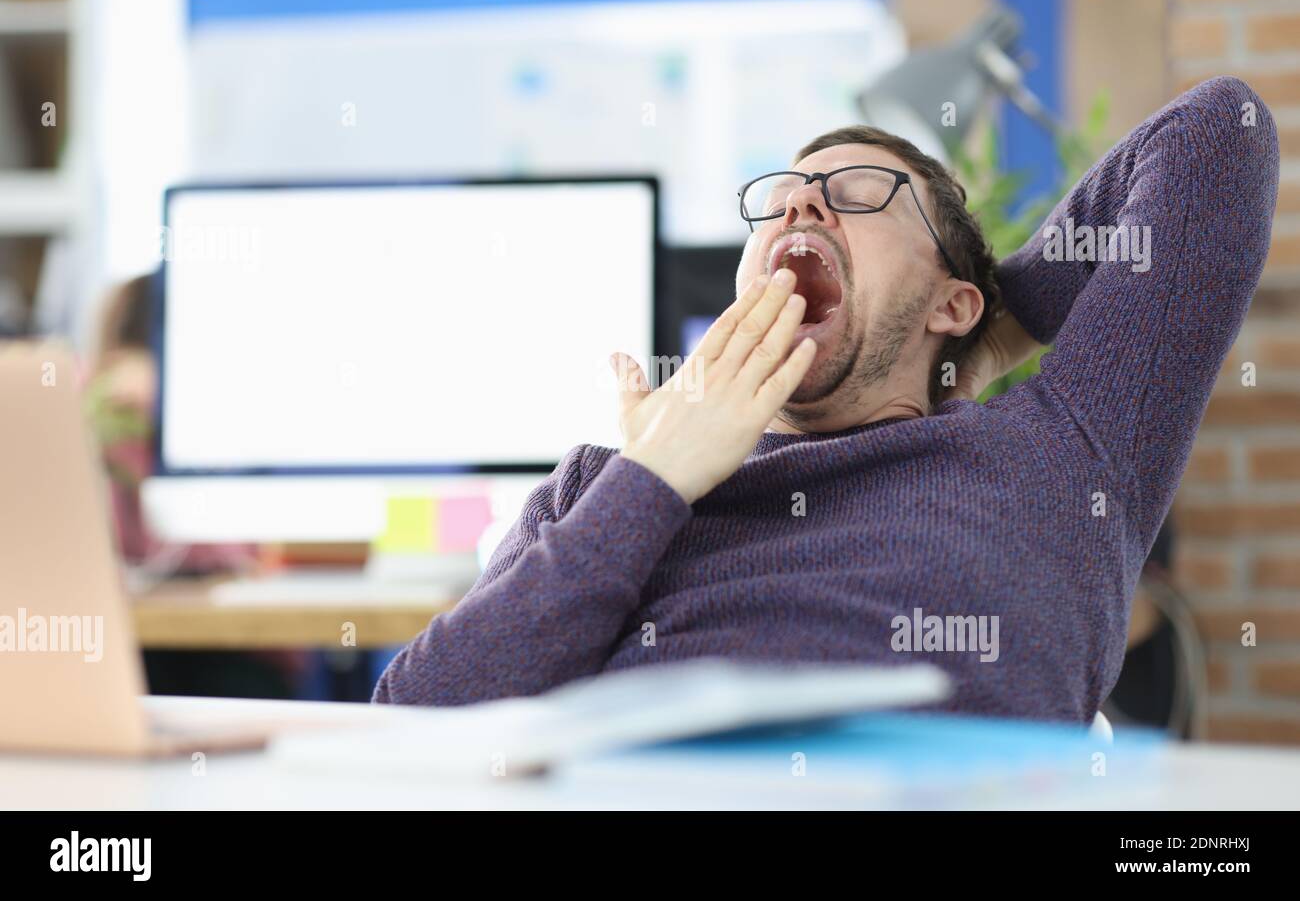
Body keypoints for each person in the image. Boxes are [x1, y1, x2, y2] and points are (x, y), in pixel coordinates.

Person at [373, 77, 1278, 724]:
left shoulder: (1064, 450)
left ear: (952, 301)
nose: (802, 204)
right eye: (781, 197)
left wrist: (985, 342)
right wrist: (655, 482)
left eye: (859, 195)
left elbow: (1216, 132)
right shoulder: (609, 484)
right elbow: (412, 724)